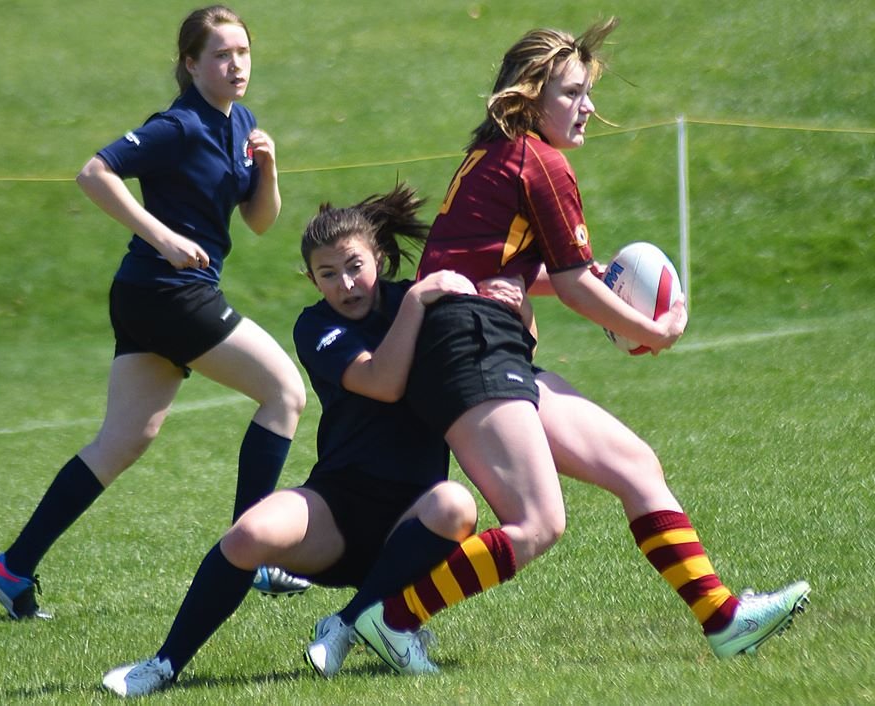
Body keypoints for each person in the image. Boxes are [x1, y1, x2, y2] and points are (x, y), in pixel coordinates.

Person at [337, 18, 809, 674]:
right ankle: (390, 618)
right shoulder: (539, 161)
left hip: (480, 345)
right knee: (536, 522)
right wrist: (653, 330)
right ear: (527, 99)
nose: (588, 107)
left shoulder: (496, 156)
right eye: (571, 93)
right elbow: (575, 285)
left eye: (587, 92)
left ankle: (723, 618)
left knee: (635, 465)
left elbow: (512, 270)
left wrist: (580, 283)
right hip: (467, 347)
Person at [100, 183, 525, 697]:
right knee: (245, 536)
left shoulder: (423, 302)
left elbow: (506, 353)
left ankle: (346, 624)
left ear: (380, 259)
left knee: (458, 504)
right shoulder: (317, 324)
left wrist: (512, 307)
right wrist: (415, 301)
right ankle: (163, 665)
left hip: (410, 521)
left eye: (354, 266)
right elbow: (382, 384)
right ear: (312, 280)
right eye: (328, 274)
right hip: (337, 509)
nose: (345, 284)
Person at [0, 5, 310, 620]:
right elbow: (93, 172)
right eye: (220, 54)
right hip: (166, 290)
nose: (235, 65)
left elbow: (260, 223)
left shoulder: (243, 124)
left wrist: (267, 167)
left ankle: (12, 567)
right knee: (285, 392)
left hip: (152, 294)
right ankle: (255, 551)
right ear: (191, 64)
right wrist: (160, 236)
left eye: (242, 52)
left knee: (125, 439)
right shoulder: (178, 125)